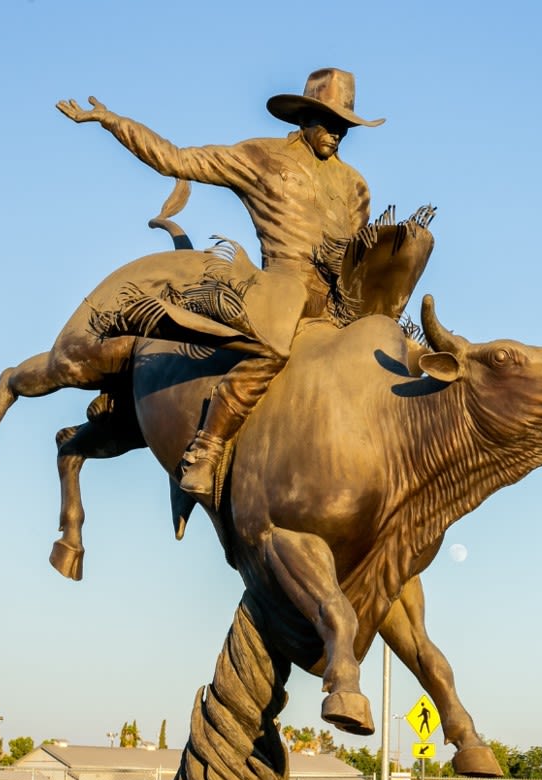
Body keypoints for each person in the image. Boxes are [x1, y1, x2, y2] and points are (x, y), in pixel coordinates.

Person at [57, 68, 386, 507]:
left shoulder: (355, 184)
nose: (338, 133)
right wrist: (113, 121)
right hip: (279, 289)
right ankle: (206, 448)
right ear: (304, 118)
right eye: (330, 121)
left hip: (335, 303)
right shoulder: (260, 158)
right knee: (274, 348)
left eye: (346, 124)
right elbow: (174, 159)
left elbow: (356, 257)